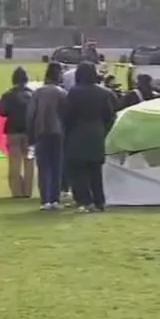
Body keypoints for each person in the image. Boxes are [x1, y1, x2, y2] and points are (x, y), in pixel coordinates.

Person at [64, 61, 116, 213]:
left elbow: (68, 115)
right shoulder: (104, 93)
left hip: (77, 133)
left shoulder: (74, 93)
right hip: (97, 133)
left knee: (78, 170)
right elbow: (110, 116)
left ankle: (85, 201)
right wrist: (103, 129)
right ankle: (99, 201)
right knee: (95, 170)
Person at [28, 62, 67, 210]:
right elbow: (66, 114)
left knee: (43, 167)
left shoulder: (37, 93)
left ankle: (45, 200)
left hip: (41, 132)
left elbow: (30, 114)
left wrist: (31, 133)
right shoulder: (61, 93)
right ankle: (55, 199)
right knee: (56, 166)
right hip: (57, 133)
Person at [0, 67, 35, 198]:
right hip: (29, 132)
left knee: (14, 163)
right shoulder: (32, 94)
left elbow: (1, 112)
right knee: (29, 162)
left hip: (13, 131)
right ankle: (27, 191)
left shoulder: (8, 95)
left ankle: (17, 191)